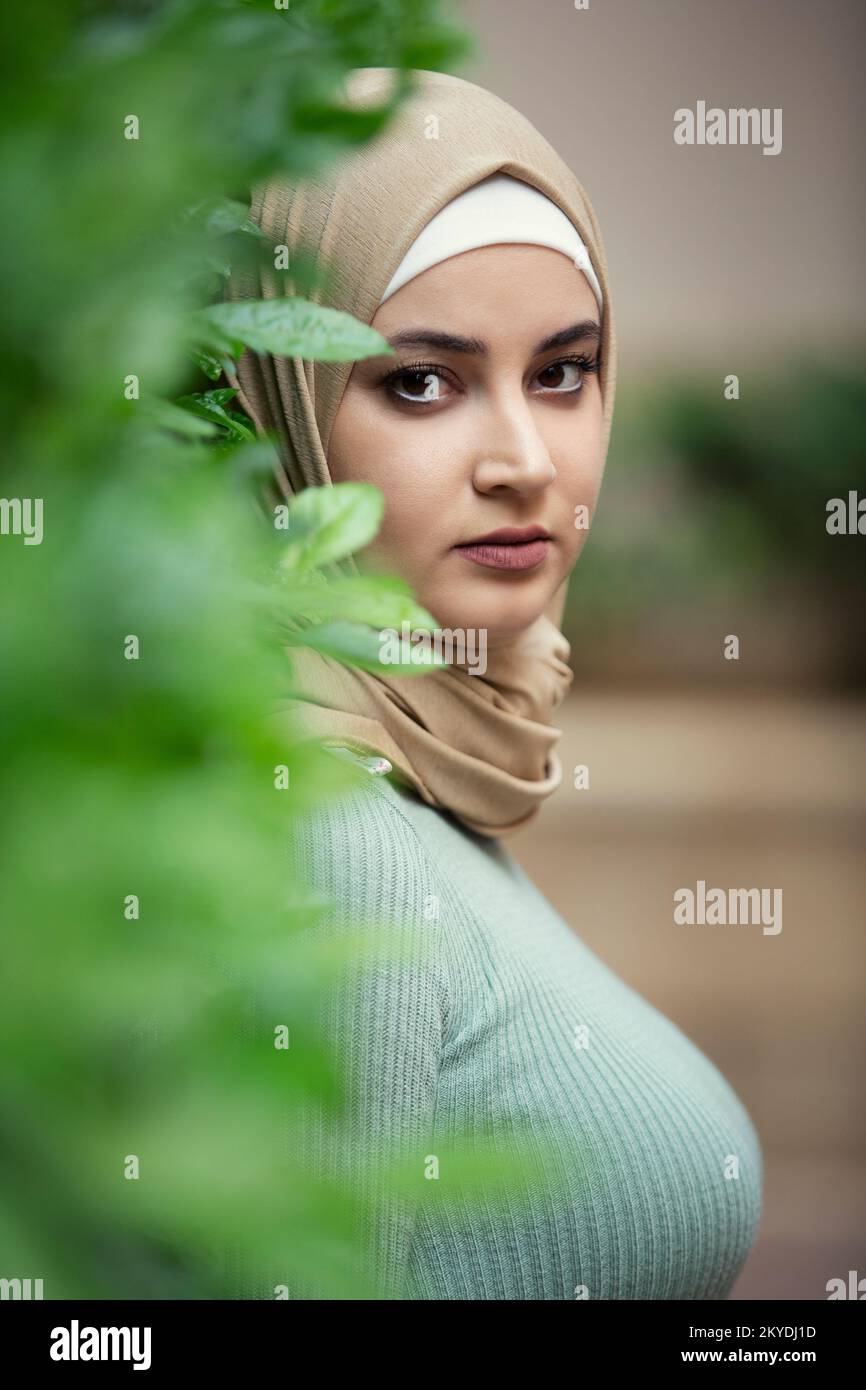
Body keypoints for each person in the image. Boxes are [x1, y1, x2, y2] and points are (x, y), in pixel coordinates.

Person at [225, 66, 763, 1300]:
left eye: (562, 371)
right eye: (421, 381)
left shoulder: (415, 770)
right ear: (278, 408)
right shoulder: (332, 835)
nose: (524, 461)